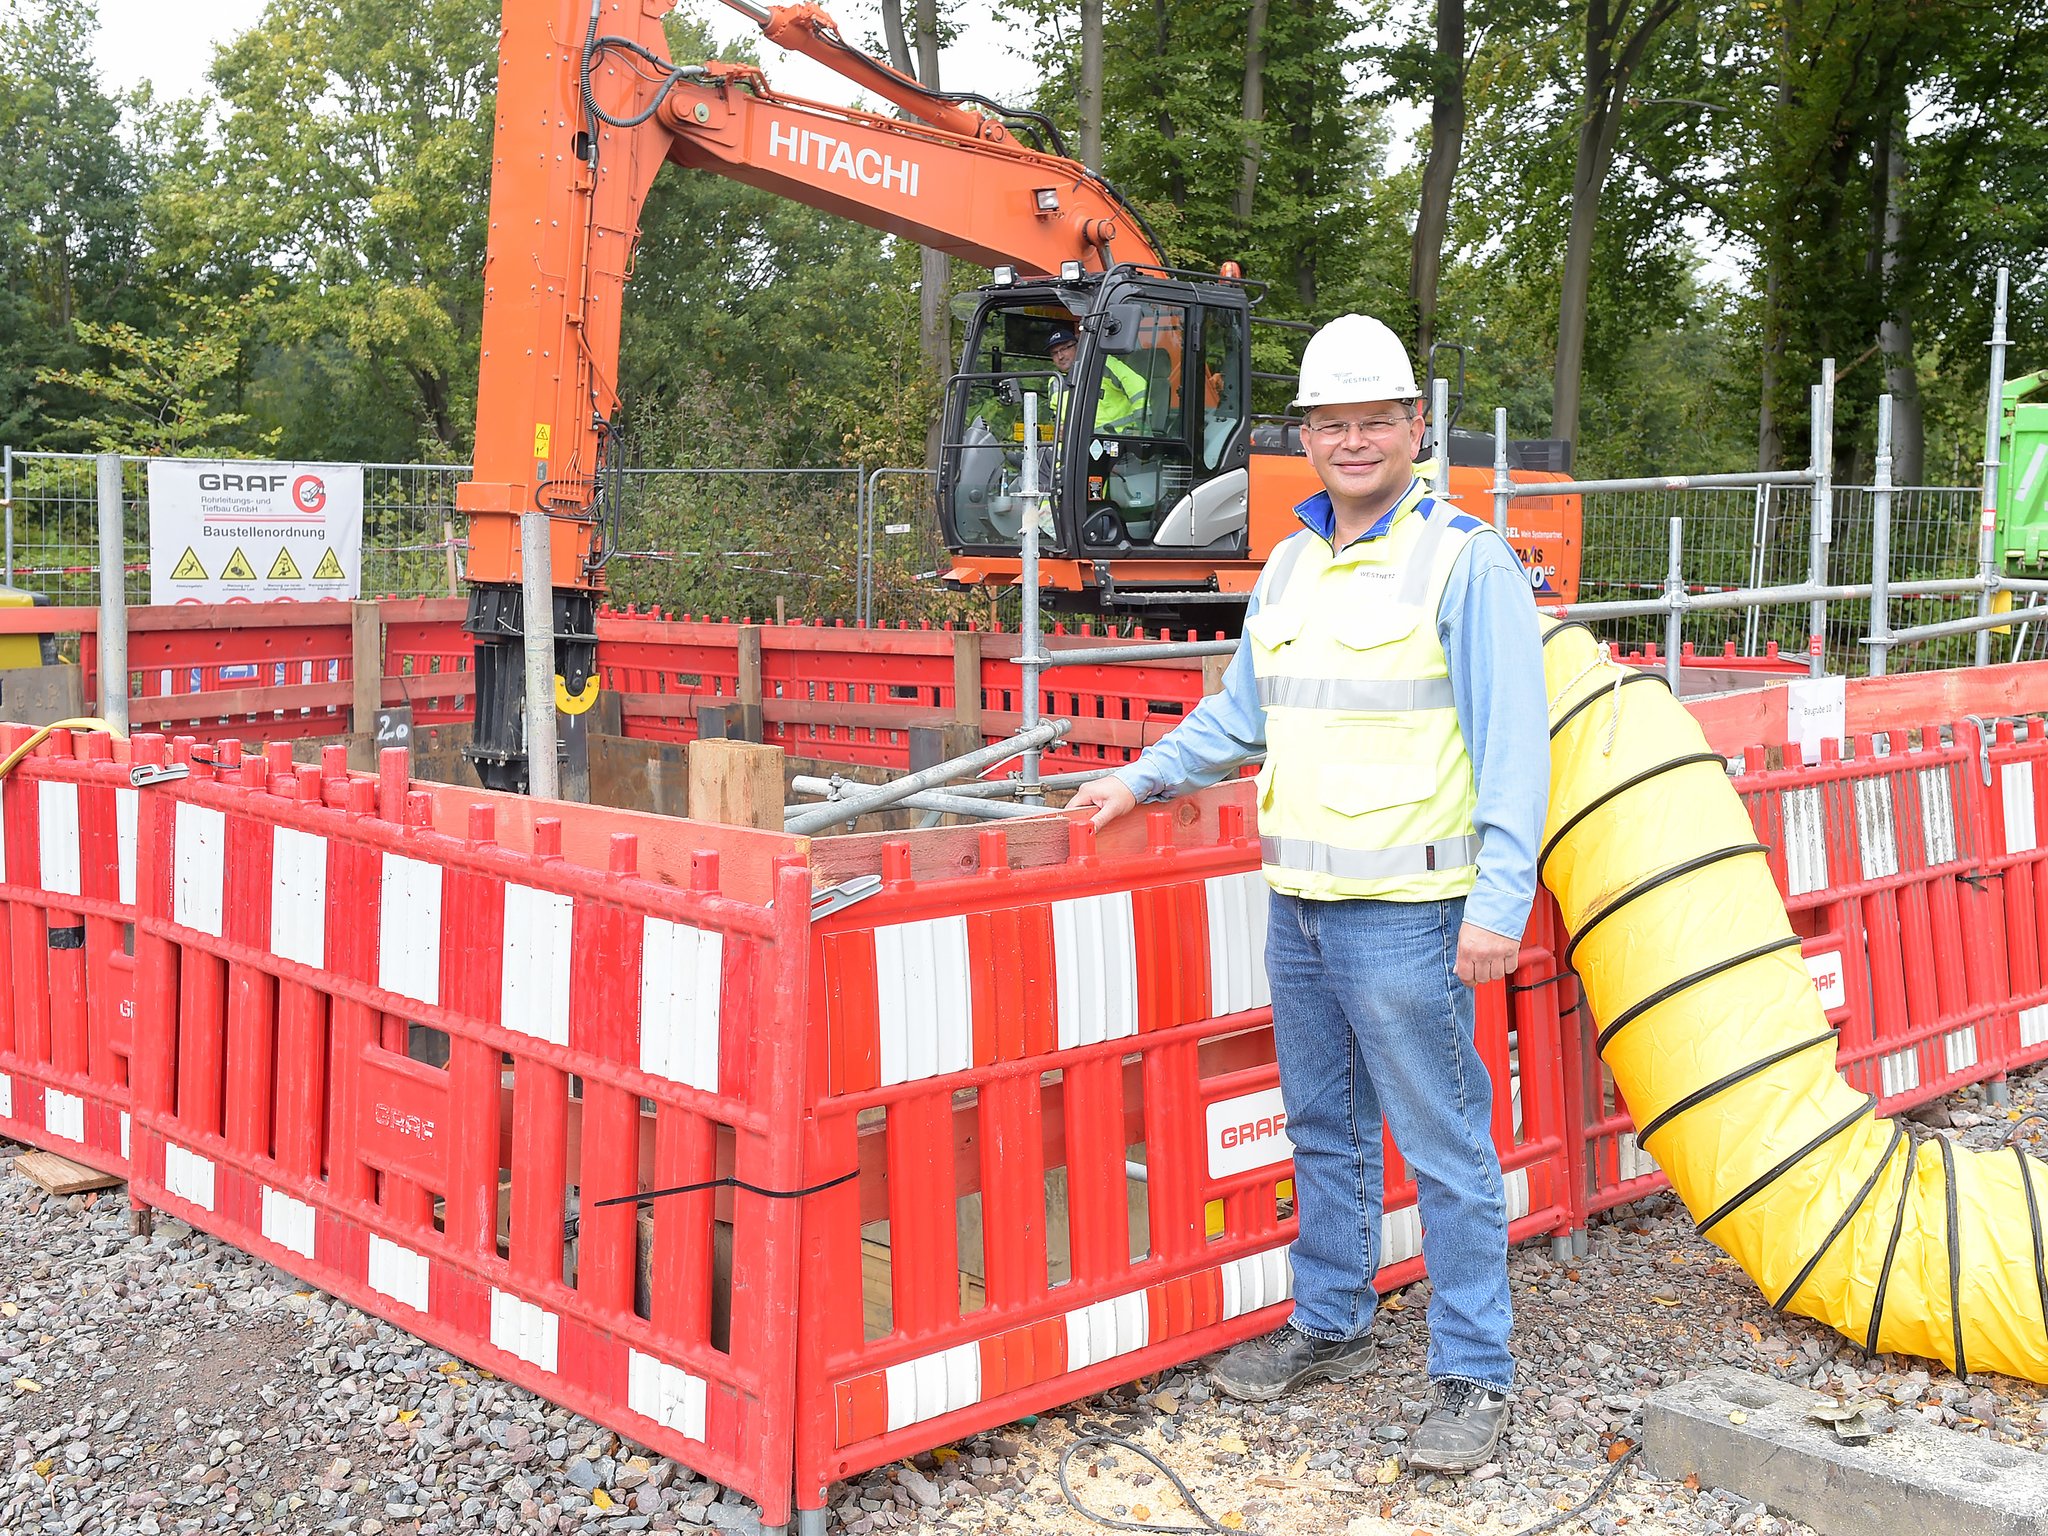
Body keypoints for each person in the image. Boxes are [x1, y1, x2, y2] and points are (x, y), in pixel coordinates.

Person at [1068, 313, 1547, 1474]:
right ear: (1304, 435)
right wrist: (1141, 776)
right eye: (1331, 423)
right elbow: (1244, 712)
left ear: (1414, 428)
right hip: (1299, 906)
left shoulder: (1464, 561)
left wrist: (1498, 902)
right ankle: (1330, 1317)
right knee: (1323, 1129)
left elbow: (1513, 744)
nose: (1352, 440)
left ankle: (1473, 1374)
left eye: (1374, 419)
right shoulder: (1286, 565)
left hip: (1409, 916)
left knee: (1443, 1147)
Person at [1048, 325, 1149, 434]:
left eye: (1064, 349)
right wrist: (1061, 428)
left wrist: (1142, 427)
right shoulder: (1056, 382)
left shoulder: (1103, 365)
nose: (1060, 356)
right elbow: (1056, 415)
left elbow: (1138, 387)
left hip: (1119, 438)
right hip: (1078, 442)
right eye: (1054, 353)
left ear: (1077, 346)